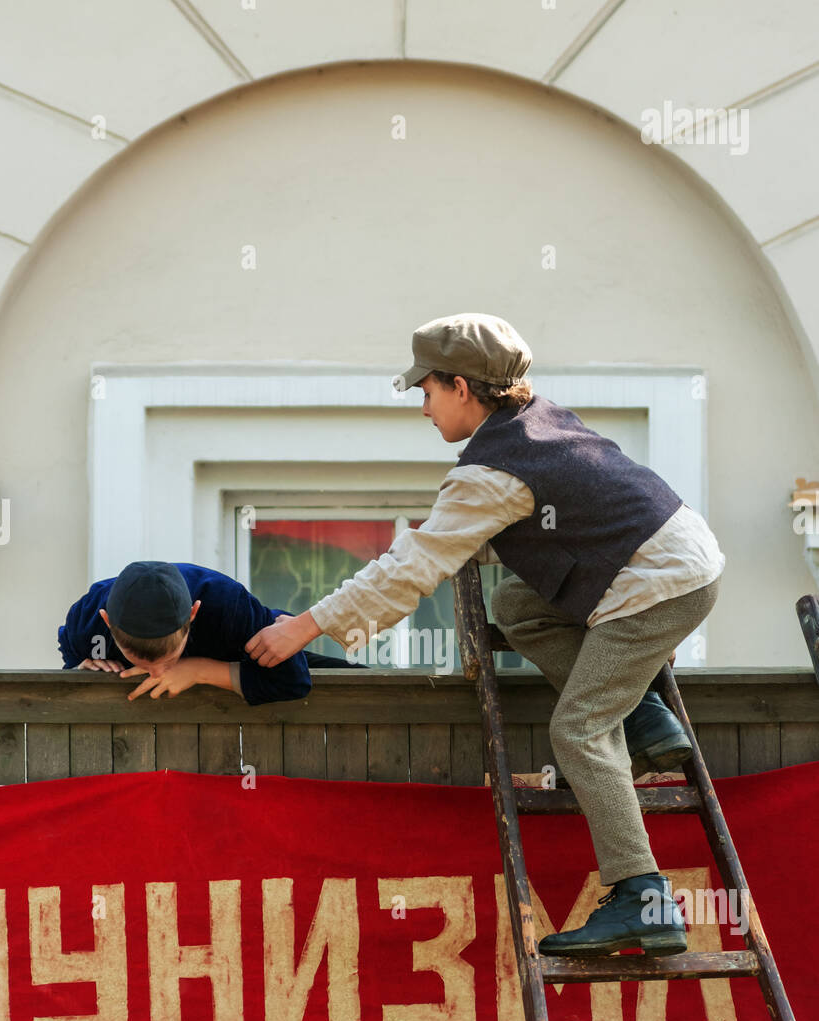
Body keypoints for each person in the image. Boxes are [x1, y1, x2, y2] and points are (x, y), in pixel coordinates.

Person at [244, 313, 726, 956]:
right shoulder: (537, 422)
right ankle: (641, 713)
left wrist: (306, 627)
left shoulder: (490, 471)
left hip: (656, 584)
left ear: (462, 387)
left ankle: (643, 897)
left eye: (426, 391)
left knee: (579, 729)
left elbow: (410, 569)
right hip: (669, 559)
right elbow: (545, 525)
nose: (422, 408)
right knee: (519, 604)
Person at [58, 559, 350, 705]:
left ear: (193, 614)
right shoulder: (87, 622)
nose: (159, 673)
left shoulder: (226, 602)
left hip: (250, 651)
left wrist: (198, 670)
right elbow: (70, 649)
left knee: (355, 674)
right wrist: (81, 664)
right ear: (107, 622)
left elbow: (293, 680)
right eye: (145, 663)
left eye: (169, 660)